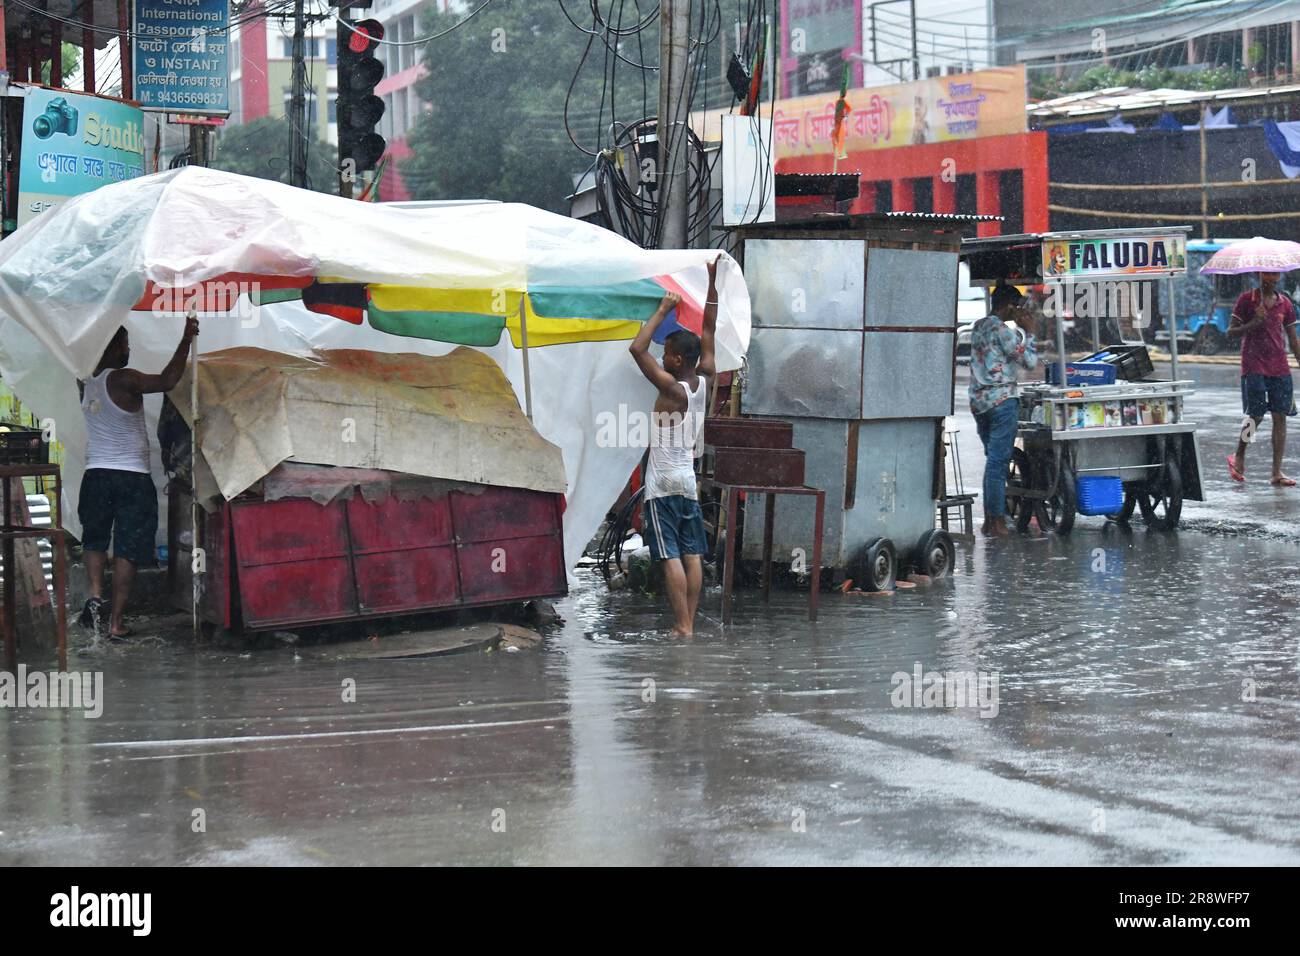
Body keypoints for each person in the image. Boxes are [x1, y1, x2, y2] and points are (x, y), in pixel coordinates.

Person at [78, 316, 199, 639]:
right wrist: (186, 340)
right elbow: (168, 380)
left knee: (95, 538)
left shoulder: (85, 381)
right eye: (126, 344)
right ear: (114, 347)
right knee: (128, 548)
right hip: (131, 476)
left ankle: (94, 598)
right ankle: (116, 623)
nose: (129, 350)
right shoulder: (124, 379)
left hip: (96, 474)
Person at [628, 258, 719, 636]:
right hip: (688, 482)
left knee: (668, 556)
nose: (662, 357)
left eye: (667, 354)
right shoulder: (705, 378)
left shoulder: (672, 389)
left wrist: (662, 308)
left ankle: (683, 626)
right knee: (693, 553)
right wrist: (711, 282)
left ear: (678, 360)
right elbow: (709, 326)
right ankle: (690, 623)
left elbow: (637, 348)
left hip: (664, 484)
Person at [969, 283, 1038, 536]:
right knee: (998, 464)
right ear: (1009, 305)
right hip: (1002, 402)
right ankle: (995, 522)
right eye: (1017, 307)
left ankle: (992, 518)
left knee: (993, 462)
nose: (1019, 311)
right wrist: (1029, 332)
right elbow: (1029, 361)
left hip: (979, 403)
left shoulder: (979, 326)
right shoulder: (1002, 330)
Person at [1226, 271, 1300, 487]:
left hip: (1280, 367)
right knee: (1256, 415)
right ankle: (1239, 454)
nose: (1271, 283)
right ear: (1260, 278)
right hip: (1254, 365)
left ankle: (1276, 472)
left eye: (1274, 280)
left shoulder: (1285, 304)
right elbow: (1231, 332)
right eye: (1267, 279)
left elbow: (1293, 338)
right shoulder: (1246, 301)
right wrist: (1253, 323)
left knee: (1280, 416)